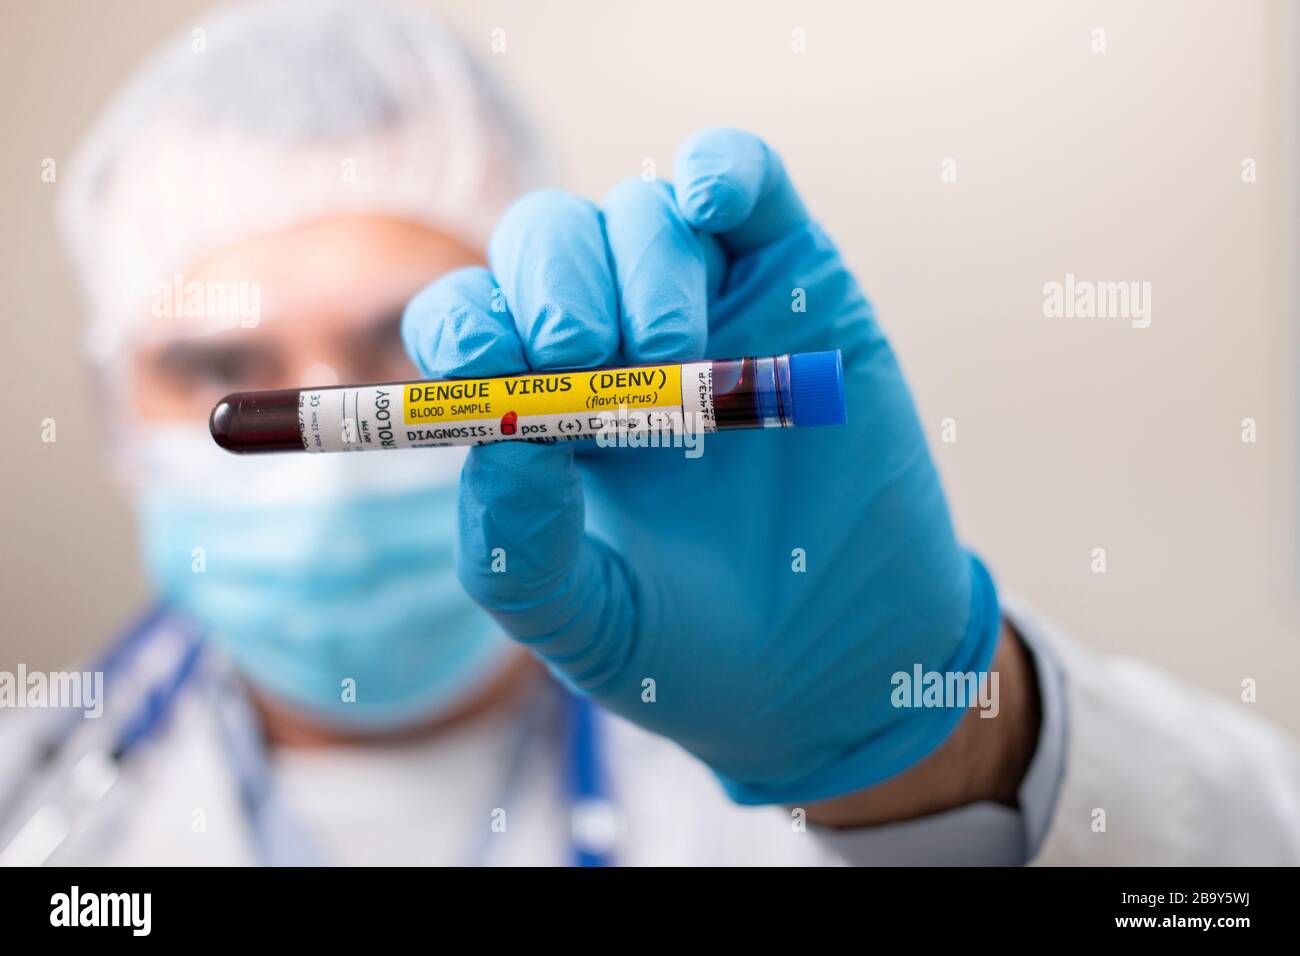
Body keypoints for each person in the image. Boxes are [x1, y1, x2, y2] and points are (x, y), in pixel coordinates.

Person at [2, 0, 1297, 866]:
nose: (336, 439)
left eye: (409, 343)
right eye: (223, 367)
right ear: (121, 419)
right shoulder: (34, 809)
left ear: (519, 334)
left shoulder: (771, 770)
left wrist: (946, 750)